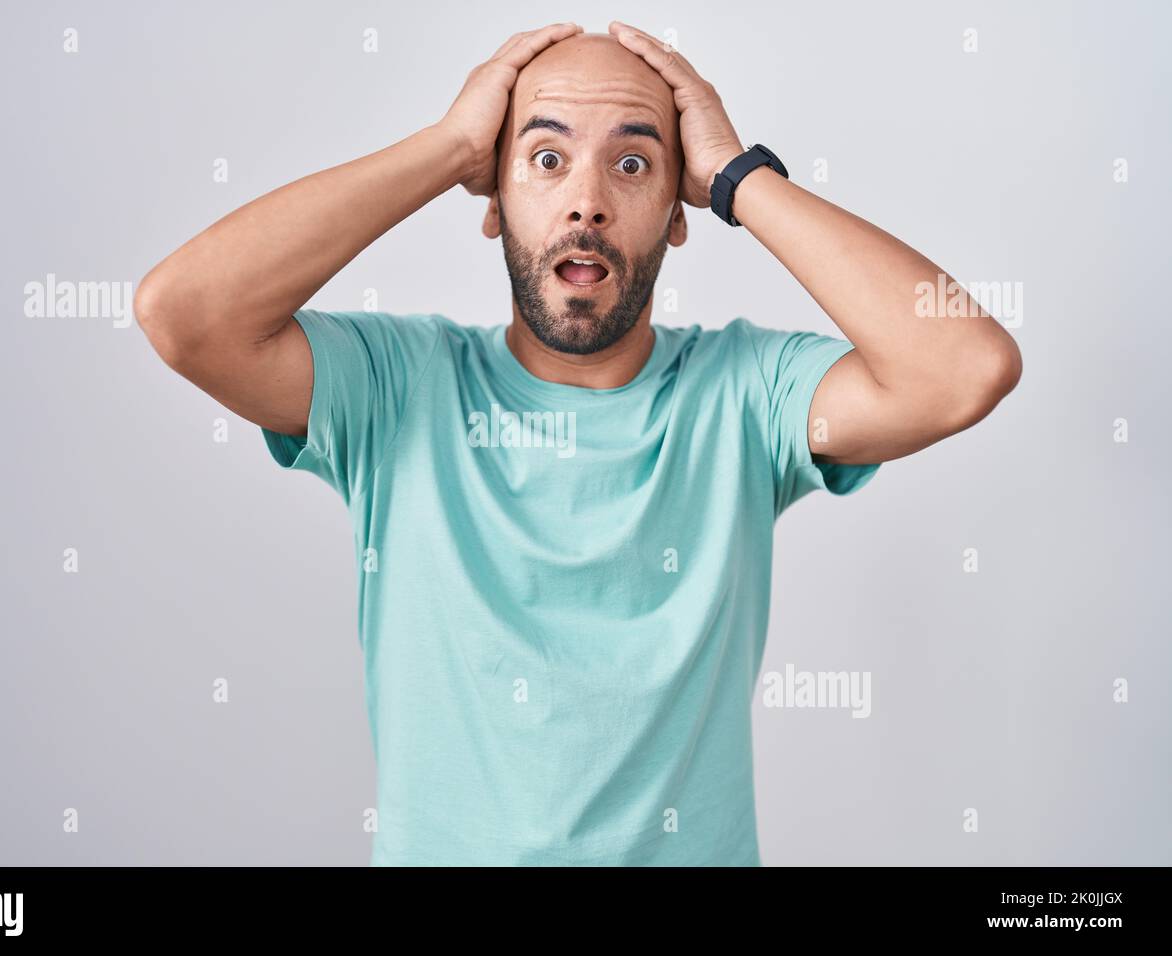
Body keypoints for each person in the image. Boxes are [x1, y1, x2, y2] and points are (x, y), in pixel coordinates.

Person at [134, 21, 1022, 865]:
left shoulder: (747, 396)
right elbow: (182, 314)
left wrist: (740, 178)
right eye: (546, 159)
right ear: (495, 202)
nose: (587, 203)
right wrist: (449, 147)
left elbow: (963, 369)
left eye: (634, 164)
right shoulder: (394, 387)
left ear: (679, 213)